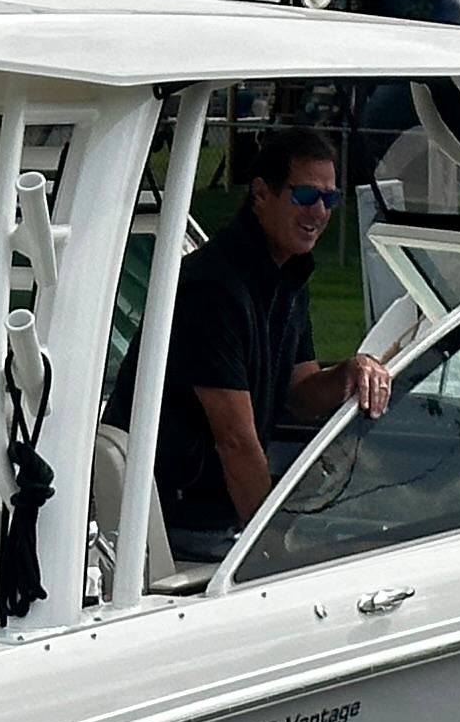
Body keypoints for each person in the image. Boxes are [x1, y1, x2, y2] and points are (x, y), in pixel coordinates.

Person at [113, 127, 394, 562]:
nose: (320, 212)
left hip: (219, 512)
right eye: (305, 196)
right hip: (178, 522)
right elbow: (236, 442)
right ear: (261, 194)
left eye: (331, 199)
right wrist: (270, 552)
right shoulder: (213, 289)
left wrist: (352, 370)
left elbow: (301, 396)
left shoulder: (288, 276)